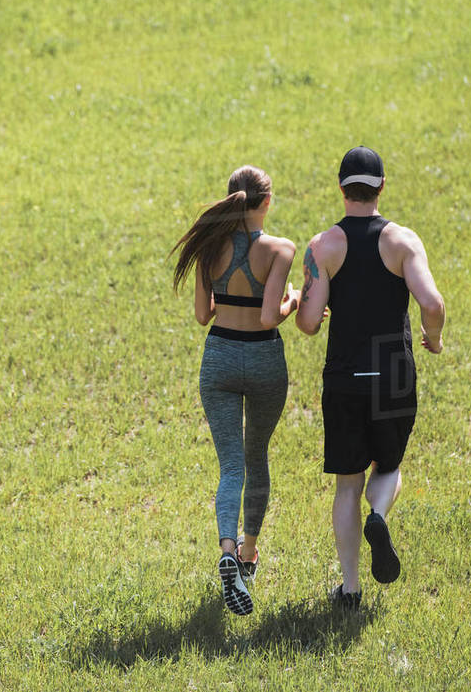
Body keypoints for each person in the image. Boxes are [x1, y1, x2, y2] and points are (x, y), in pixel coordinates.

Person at [295, 146, 445, 610]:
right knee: (390, 467)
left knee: (347, 483)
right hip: (393, 370)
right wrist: (433, 339)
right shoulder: (403, 242)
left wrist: (314, 310)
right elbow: (433, 304)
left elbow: (307, 322)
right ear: (382, 187)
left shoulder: (323, 247)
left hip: (345, 374)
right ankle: (378, 515)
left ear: (341, 189)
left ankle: (351, 590)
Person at [171, 165, 300, 616]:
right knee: (256, 456)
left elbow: (202, 316)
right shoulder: (280, 250)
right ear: (266, 203)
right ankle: (248, 554)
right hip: (264, 361)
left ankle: (226, 549)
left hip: (220, 359)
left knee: (230, 467)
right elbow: (270, 316)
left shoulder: (208, 249)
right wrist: (295, 301)